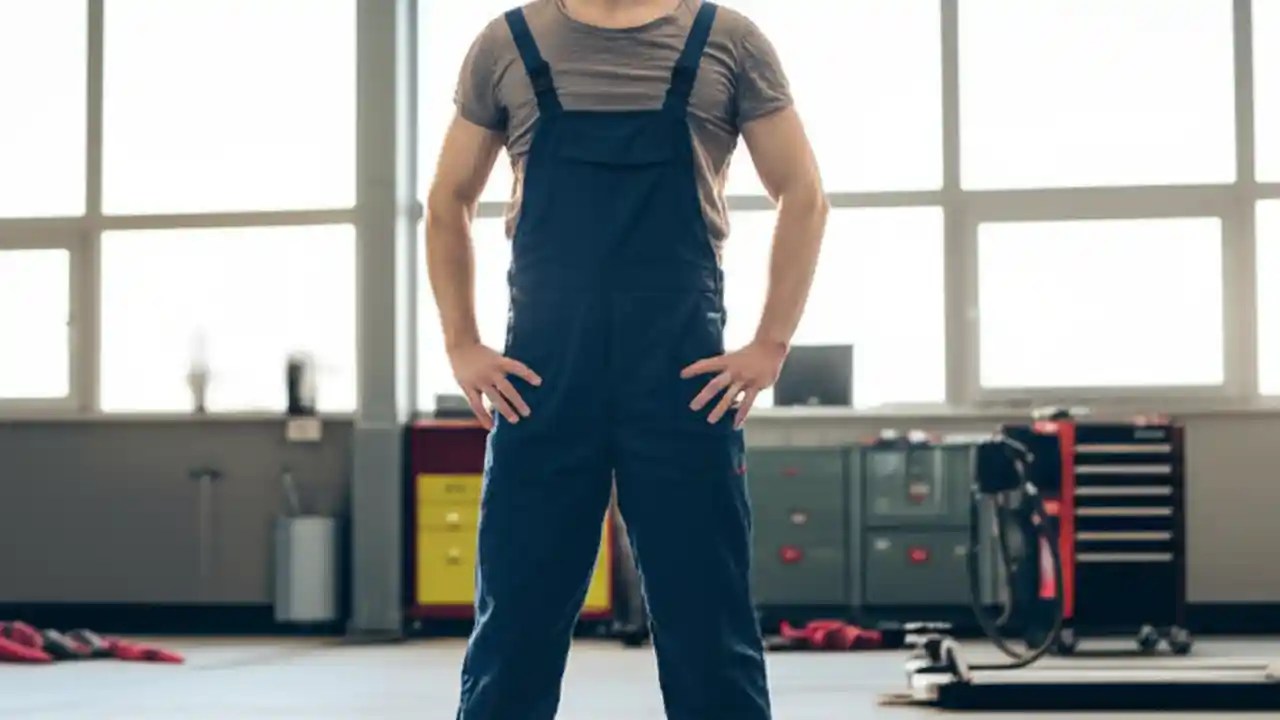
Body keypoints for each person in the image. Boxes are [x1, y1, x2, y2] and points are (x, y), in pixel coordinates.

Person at [425, 0, 827, 717]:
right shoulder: (506, 44)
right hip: (543, 382)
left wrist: (770, 345)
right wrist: (462, 344)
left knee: (710, 625)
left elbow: (804, 194)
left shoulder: (727, 42)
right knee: (515, 625)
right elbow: (448, 199)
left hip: (683, 382)